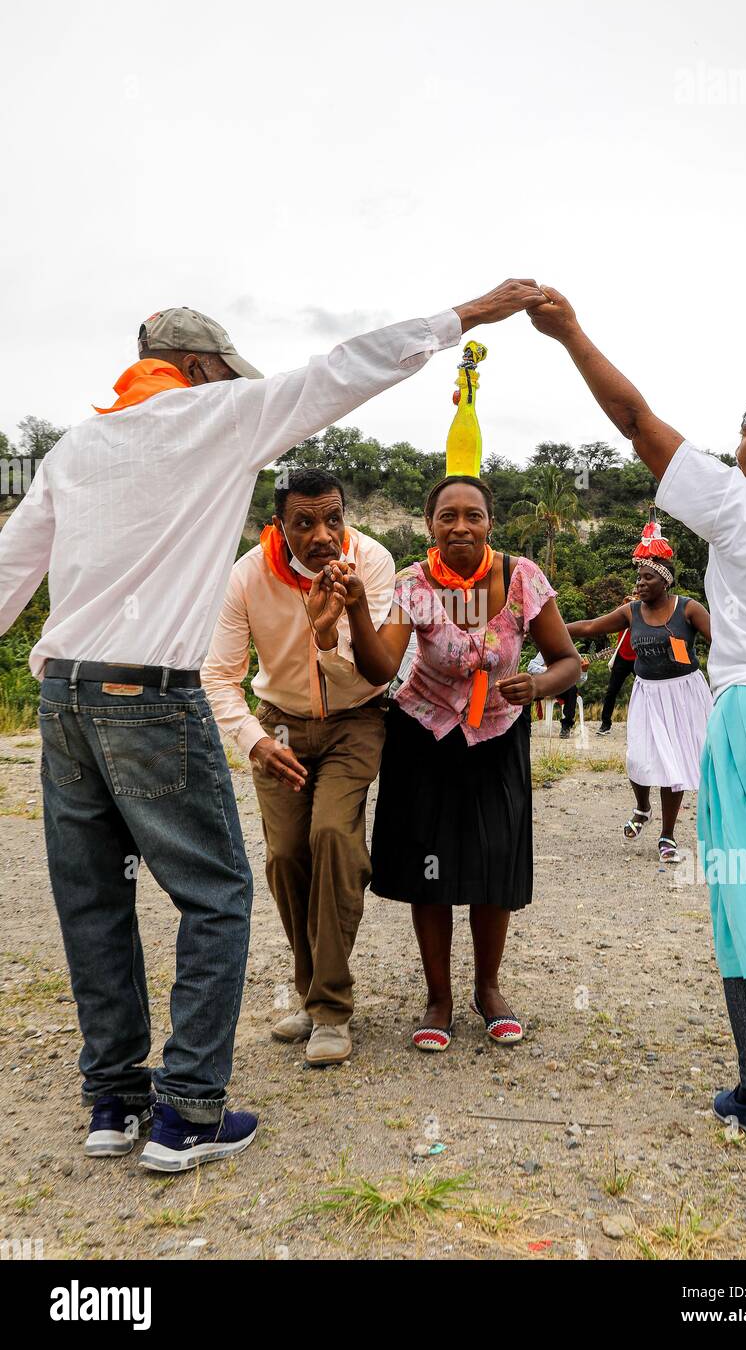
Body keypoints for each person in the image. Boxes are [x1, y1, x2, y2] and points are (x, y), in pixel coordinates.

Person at [0, 278, 545, 1171]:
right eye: (224, 374)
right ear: (200, 368)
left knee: (93, 900)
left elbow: (6, 577)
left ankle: (112, 1103)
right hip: (155, 696)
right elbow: (346, 369)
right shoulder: (220, 416)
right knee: (216, 899)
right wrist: (467, 315)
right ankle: (187, 1117)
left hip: (63, 696)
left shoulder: (73, 448)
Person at [529, 284, 746, 1146]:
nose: (736, 441)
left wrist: (570, 332)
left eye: (745, 431)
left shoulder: (733, 502)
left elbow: (632, 414)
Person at [320, 475, 579, 1051]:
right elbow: (382, 668)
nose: (460, 526)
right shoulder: (412, 585)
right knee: (428, 867)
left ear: (491, 522)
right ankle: (438, 999)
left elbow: (568, 662)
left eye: (474, 515)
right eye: (447, 516)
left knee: (495, 861)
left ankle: (488, 990)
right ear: (430, 523)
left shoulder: (521, 579)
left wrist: (536, 686)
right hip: (425, 736)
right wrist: (360, 610)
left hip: (498, 736)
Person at [201, 468, 395, 1067]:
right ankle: (312, 993)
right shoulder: (248, 575)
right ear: (279, 524)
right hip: (278, 725)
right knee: (286, 856)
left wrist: (327, 630)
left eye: (332, 517)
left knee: (333, 837)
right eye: (304, 521)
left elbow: (375, 672)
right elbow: (218, 676)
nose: (322, 534)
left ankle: (333, 1009)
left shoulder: (373, 562)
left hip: (355, 722)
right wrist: (256, 742)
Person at [566, 543, 711, 863]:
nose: (640, 583)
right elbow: (590, 626)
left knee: (673, 766)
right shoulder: (631, 612)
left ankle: (668, 835)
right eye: (639, 578)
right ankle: (642, 808)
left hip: (683, 693)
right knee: (638, 760)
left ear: (665, 582)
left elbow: (722, 641)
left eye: (647, 578)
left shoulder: (688, 609)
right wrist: (549, 629)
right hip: (648, 693)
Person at [597, 611, 637, 736]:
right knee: (611, 691)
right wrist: (623, 604)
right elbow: (612, 619)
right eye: (635, 591)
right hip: (622, 656)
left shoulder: (645, 610)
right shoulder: (625, 609)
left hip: (639, 656)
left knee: (645, 691)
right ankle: (605, 724)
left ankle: (646, 725)